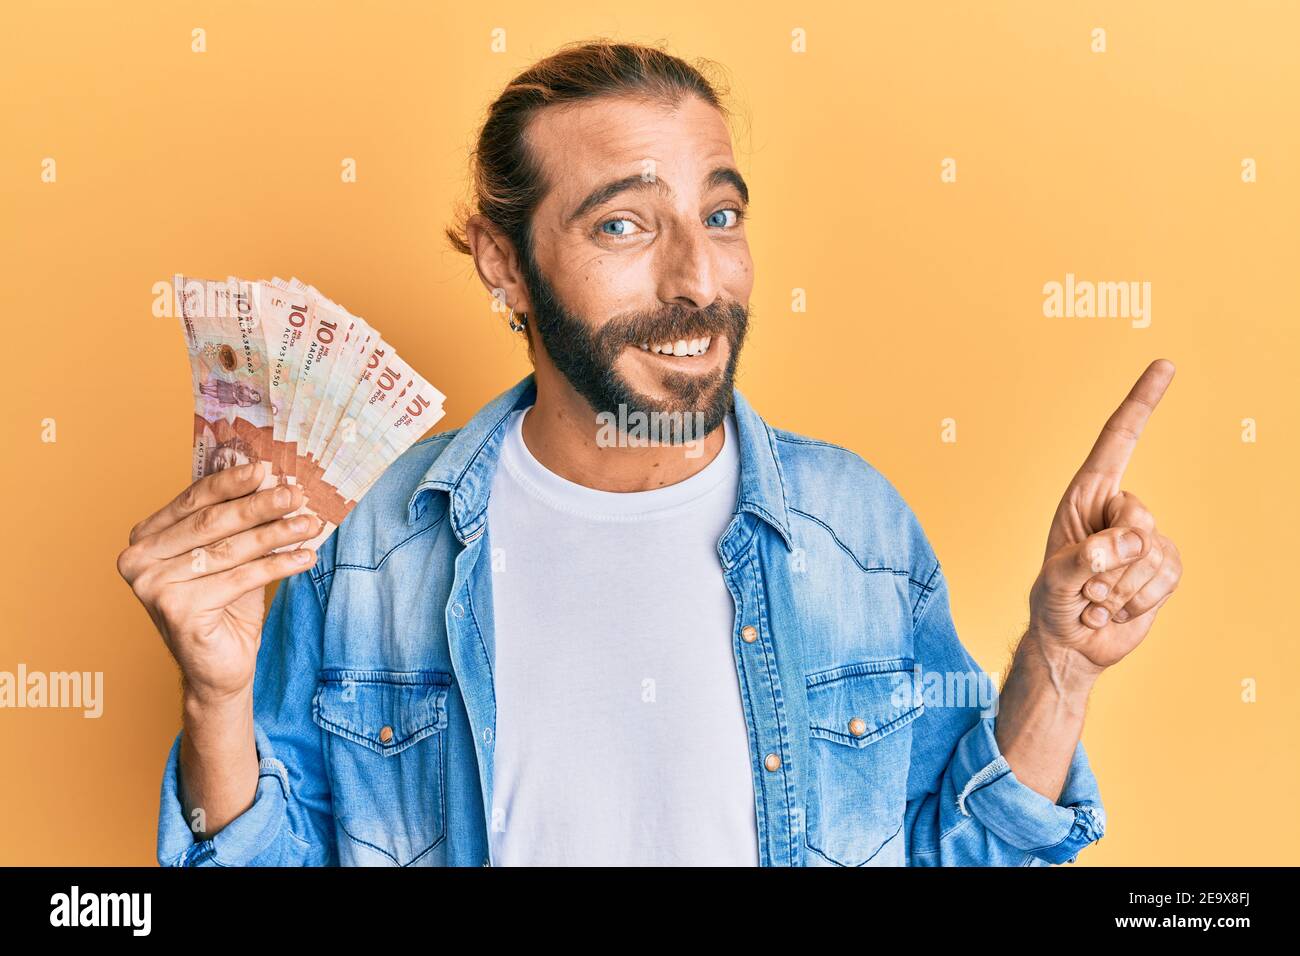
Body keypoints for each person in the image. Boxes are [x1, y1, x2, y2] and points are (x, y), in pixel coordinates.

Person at [118, 40, 1181, 866]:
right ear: (505, 263)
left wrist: (1061, 663)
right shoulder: (375, 541)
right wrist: (215, 698)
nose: (696, 279)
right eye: (624, 226)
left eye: (718, 214)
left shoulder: (853, 527)